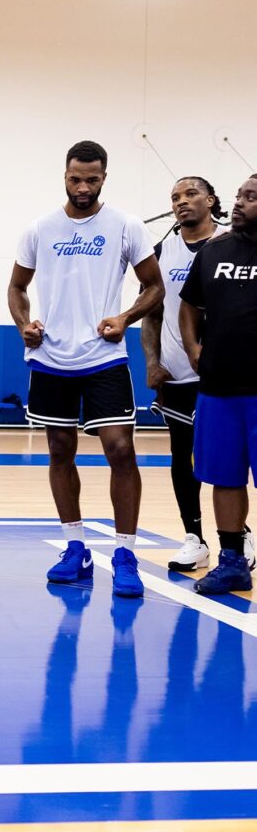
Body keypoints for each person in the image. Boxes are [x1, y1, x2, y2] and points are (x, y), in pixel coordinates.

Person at [8, 140, 164, 599]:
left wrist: (125, 318)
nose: (82, 186)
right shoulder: (40, 228)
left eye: (91, 179)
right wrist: (24, 324)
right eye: (75, 178)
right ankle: (74, 546)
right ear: (64, 175)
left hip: (104, 357)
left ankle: (125, 553)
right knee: (60, 449)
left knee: (120, 450)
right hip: (51, 357)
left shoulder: (126, 226)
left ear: (104, 178)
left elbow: (153, 286)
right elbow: (17, 287)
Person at [141, 177, 253, 573]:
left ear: (211, 200)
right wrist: (155, 361)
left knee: (232, 464)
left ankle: (239, 534)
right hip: (183, 374)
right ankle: (196, 538)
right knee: (184, 457)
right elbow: (154, 312)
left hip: (226, 375)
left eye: (190, 194)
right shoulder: (164, 251)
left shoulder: (227, 243)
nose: (182, 202)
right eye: (174, 197)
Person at [178, 174, 257, 595]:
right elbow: (189, 304)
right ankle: (231, 563)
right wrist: (193, 349)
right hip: (220, 388)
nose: (240, 203)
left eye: (251, 197)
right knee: (224, 477)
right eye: (240, 195)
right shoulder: (215, 252)